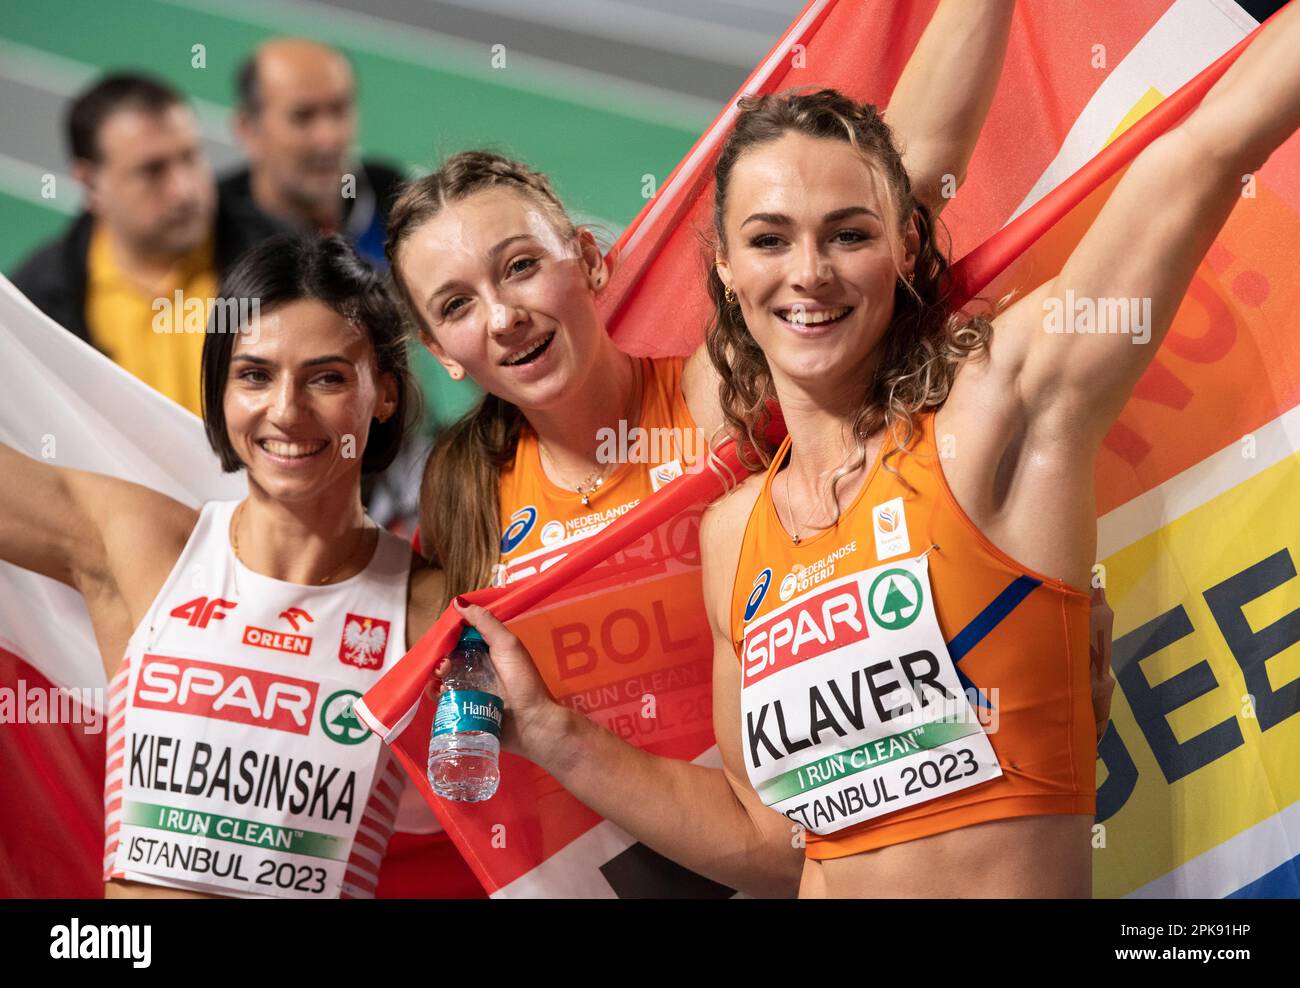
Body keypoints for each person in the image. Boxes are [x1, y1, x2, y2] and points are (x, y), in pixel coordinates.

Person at [453, 3, 1300, 897]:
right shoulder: (734, 536)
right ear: (728, 271)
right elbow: (769, 838)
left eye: (849, 234)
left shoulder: (997, 413)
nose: (809, 271)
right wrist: (547, 731)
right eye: (770, 239)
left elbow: (1205, 148)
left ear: (902, 244)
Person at [0, 233, 443, 898]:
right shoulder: (142, 549)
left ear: (383, 394)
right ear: (220, 389)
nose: (286, 412)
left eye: (326, 377)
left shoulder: (427, 609)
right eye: (254, 375)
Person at [11, 73, 263, 416]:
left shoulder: (277, 259)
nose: (184, 190)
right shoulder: (36, 302)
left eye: (190, 157)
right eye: (152, 170)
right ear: (91, 183)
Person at [223, 38, 405, 270]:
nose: (329, 139)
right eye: (303, 116)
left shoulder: (389, 195)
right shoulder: (213, 232)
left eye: (340, 109)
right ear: (248, 129)